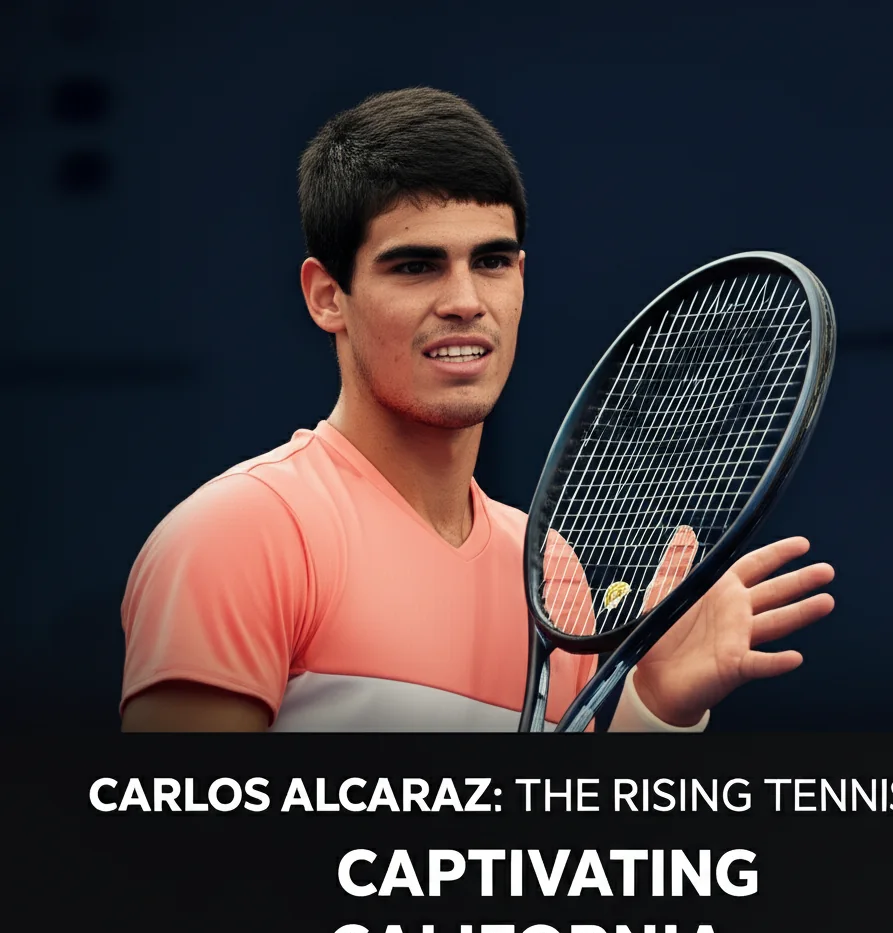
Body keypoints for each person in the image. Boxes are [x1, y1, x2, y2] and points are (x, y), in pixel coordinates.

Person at [120, 87, 834, 732]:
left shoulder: (553, 573)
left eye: (491, 262)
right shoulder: (240, 536)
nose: (465, 301)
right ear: (326, 295)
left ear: (519, 278)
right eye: (415, 265)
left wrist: (657, 710)